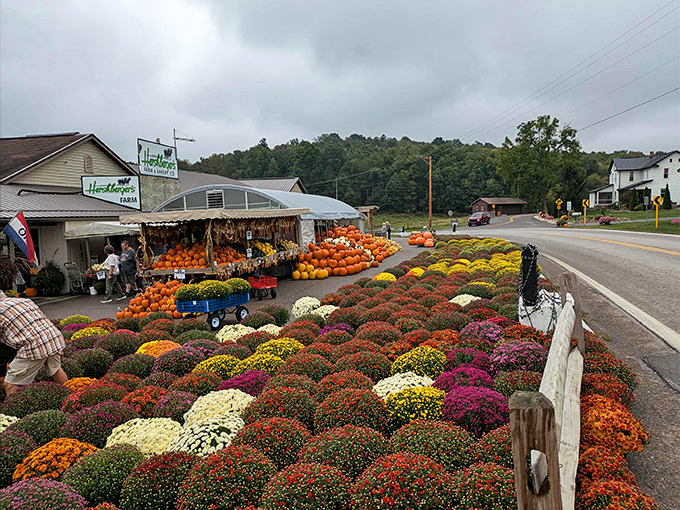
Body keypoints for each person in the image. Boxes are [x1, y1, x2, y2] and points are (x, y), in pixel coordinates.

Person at [0, 290, 68, 396]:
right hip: (53, 337)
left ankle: (15, 412)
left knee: (11, 384)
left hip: (34, 345)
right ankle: (71, 397)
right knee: (55, 370)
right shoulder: (23, 301)